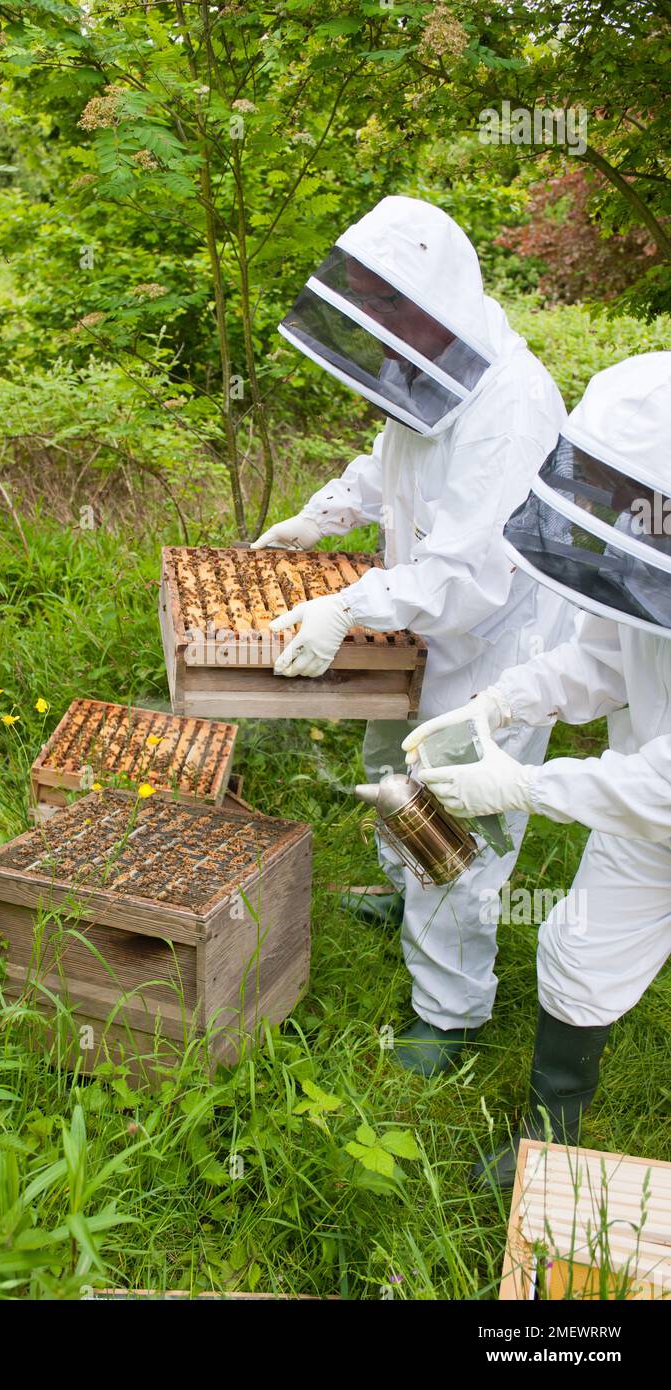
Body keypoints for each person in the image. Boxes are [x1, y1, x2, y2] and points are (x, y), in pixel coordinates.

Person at [253, 194, 572, 1076]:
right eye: (360, 299)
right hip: (421, 625)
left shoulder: (510, 406)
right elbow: (387, 467)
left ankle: (450, 1015)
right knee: (386, 772)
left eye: (383, 301)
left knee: (456, 828)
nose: (373, 323)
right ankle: (402, 900)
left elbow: (467, 578)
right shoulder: (429, 370)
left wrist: (348, 606)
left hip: (498, 646)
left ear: (432, 300)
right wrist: (316, 522)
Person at [404, 352, 671, 1188]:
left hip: (651, 785)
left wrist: (526, 785)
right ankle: (548, 1129)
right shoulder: (645, 542)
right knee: (580, 942)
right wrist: (504, 701)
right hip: (638, 786)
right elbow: (609, 653)